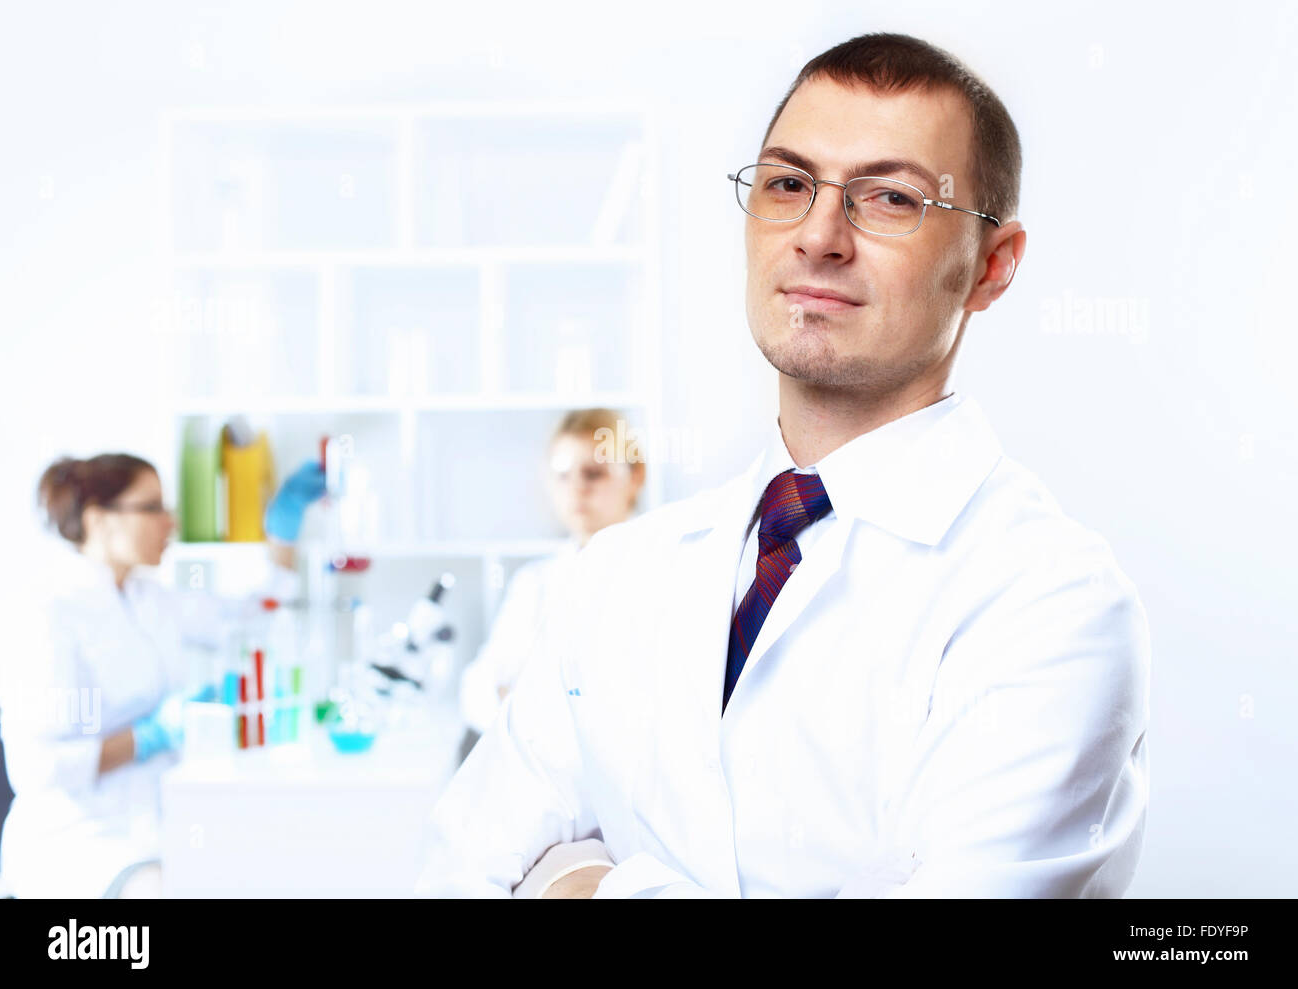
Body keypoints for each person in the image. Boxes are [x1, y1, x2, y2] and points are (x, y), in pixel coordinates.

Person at [414, 33, 1150, 899]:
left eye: (890, 198)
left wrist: (582, 882)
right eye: (789, 184)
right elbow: (457, 871)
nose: (818, 236)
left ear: (992, 267)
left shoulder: (1050, 602)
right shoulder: (620, 572)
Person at [0, 452, 324, 898]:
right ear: (98, 519)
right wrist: (149, 735)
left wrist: (282, 531)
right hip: (78, 841)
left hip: (159, 824)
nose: (170, 522)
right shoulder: (48, 612)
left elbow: (253, 614)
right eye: (151, 508)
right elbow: (38, 770)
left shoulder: (150, 597)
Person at [457, 409, 646, 752]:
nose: (576, 490)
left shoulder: (668, 568)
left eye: (594, 473)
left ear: (635, 476)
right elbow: (478, 688)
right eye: (562, 475)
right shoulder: (535, 583)